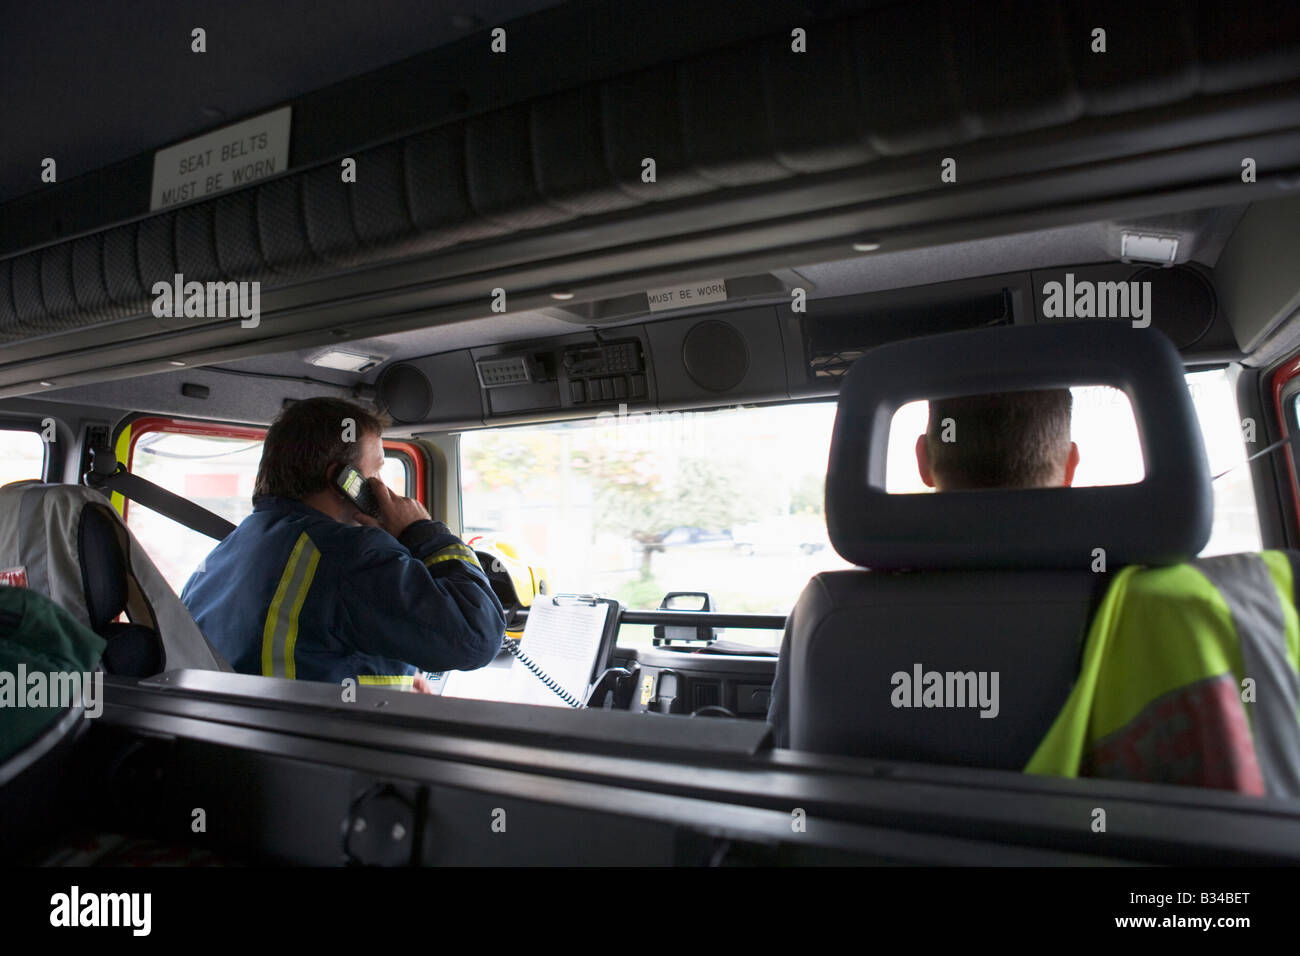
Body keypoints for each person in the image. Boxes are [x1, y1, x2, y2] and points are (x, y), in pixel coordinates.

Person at [766, 389, 1078, 746]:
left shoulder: (827, 610)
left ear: (923, 459)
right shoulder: (1136, 615)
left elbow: (784, 762)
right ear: (1070, 466)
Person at [181, 397, 505, 691]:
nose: (380, 487)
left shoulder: (220, 558)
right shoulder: (348, 552)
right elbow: (476, 637)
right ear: (344, 481)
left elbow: (306, 650)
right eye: (375, 472)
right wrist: (423, 532)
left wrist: (399, 684)